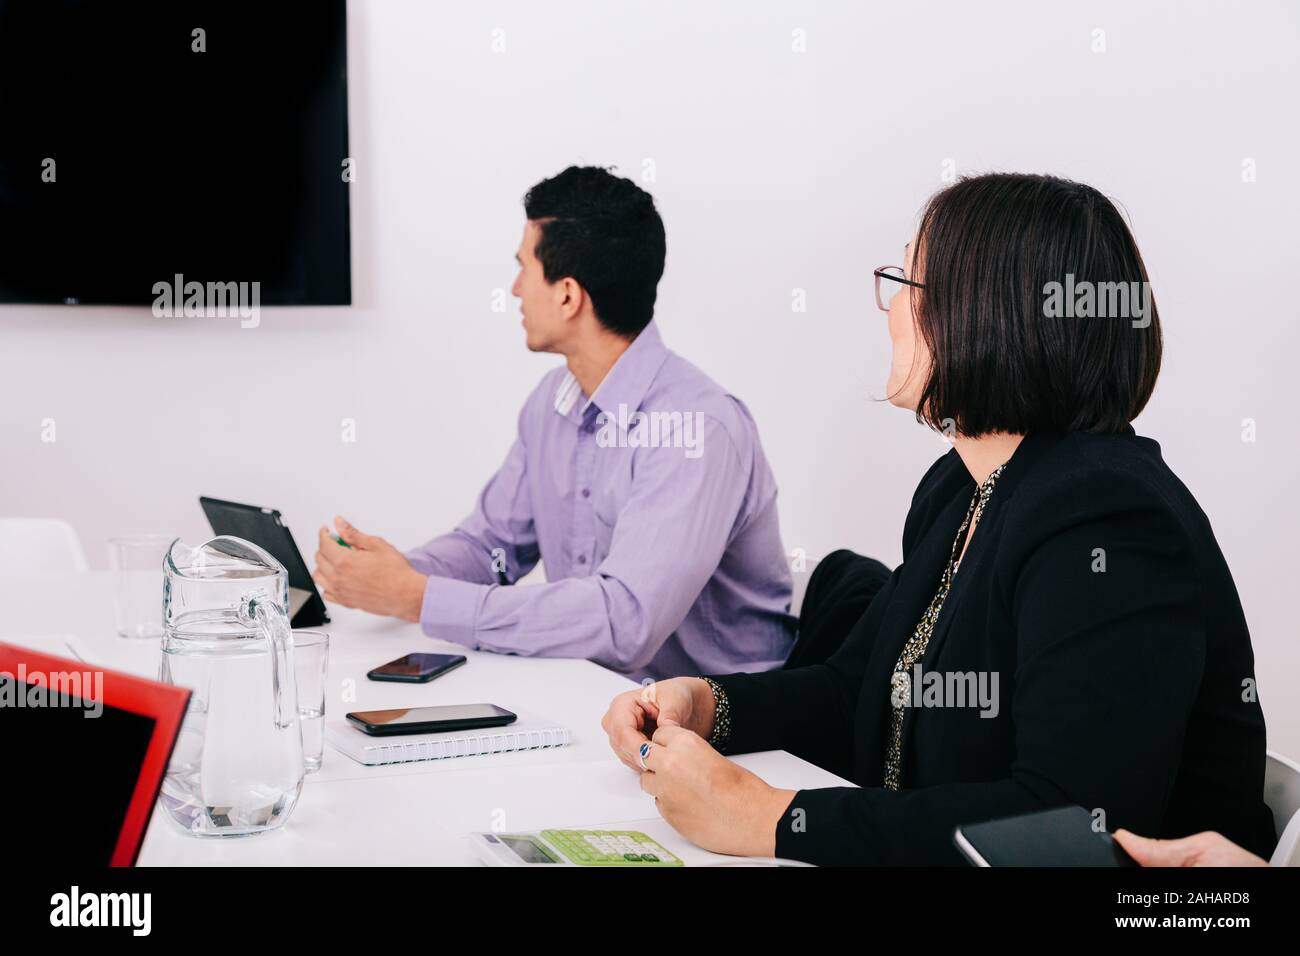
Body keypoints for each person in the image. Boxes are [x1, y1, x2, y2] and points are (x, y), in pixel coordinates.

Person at [600, 172, 1278, 864]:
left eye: (911, 284)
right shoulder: (960, 489)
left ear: (989, 313)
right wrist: (705, 704)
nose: (891, 308)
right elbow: (857, 692)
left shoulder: (1107, 519)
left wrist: (771, 817)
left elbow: (1069, 823)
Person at [312, 166, 795, 681]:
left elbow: (623, 623)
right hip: (595, 699)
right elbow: (493, 548)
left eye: (524, 268)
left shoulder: (696, 430)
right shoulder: (551, 404)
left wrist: (418, 598)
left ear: (567, 295)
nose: (515, 288)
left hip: (718, 732)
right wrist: (393, 574)